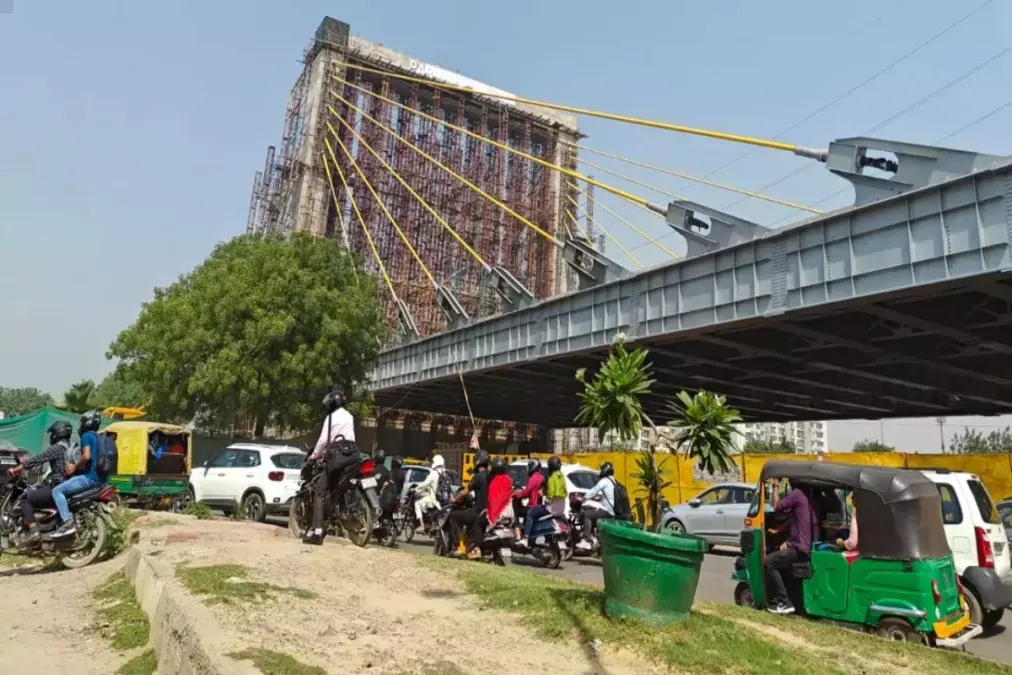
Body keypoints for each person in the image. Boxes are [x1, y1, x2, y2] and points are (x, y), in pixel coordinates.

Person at [304, 390, 361, 546]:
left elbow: (323, 440)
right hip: (353, 455)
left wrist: (314, 456)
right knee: (341, 486)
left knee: (320, 491)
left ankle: (317, 531)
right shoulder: (349, 416)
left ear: (332, 403)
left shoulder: (331, 418)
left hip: (337, 458)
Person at [6, 421, 73, 546]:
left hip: (58, 486)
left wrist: (14, 470)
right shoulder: (71, 447)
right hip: (70, 485)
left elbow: (35, 460)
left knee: (25, 499)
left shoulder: (57, 448)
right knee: (40, 489)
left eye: (52, 434)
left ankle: (33, 531)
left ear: (56, 434)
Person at [49, 410, 107, 538]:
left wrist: (74, 467)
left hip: (90, 479)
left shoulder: (86, 436)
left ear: (87, 423)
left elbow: (86, 456)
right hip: (103, 480)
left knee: (57, 491)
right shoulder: (100, 437)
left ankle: (68, 523)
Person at [764, 479, 812, 614]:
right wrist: (778, 531)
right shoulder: (807, 495)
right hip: (804, 545)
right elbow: (793, 519)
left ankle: (784, 602)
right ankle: (790, 600)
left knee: (768, 562)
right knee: (780, 559)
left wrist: (775, 486)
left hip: (798, 547)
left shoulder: (797, 494)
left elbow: (777, 507)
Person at [448, 450, 490, 558]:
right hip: (488, 512)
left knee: (453, 516)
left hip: (478, 512)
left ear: (477, 461)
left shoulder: (478, 476)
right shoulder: (490, 476)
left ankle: (458, 547)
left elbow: (465, 492)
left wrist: (455, 499)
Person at [577, 461, 617, 550]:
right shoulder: (613, 480)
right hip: (612, 509)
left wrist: (584, 497)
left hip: (608, 510)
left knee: (587, 514)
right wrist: (598, 497)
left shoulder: (605, 480)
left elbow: (595, 489)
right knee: (593, 510)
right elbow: (608, 494)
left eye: (601, 469)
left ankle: (587, 540)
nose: (600, 471)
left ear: (605, 470)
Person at [514, 459, 546, 547]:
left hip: (534, 505)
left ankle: (520, 536)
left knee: (516, 512)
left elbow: (526, 491)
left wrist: (516, 495)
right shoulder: (541, 477)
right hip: (540, 505)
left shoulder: (534, 478)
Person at [415, 454, 447, 532]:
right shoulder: (444, 473)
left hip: (434, 499)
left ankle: (422, 526)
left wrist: (416, 488)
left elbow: (425, 484)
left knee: (417, 503)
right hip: (443, 499)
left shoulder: (434, 473)